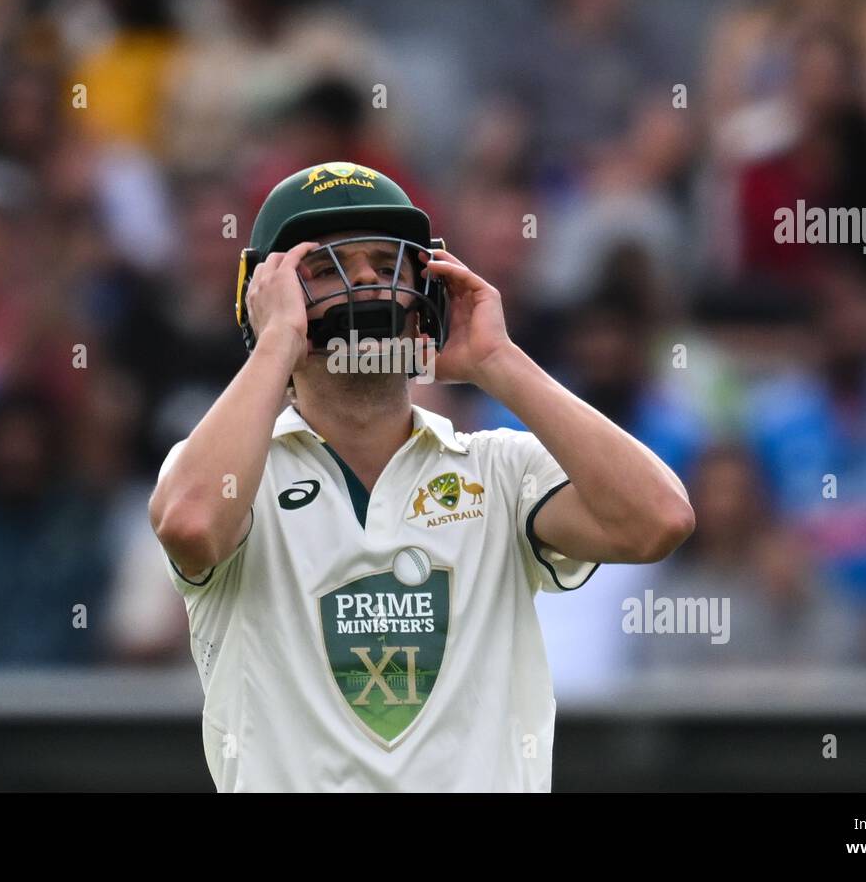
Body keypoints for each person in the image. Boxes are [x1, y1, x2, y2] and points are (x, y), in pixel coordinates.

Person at [149, 161, 694, 791]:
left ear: (425, 295)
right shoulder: (228, 475)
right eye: (328, 268)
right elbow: (191, 523)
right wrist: (276, 344)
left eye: (387, 264)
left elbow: (659, 519)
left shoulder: (501, 468)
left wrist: (498, 361)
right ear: (268, 297)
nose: (366, 282)